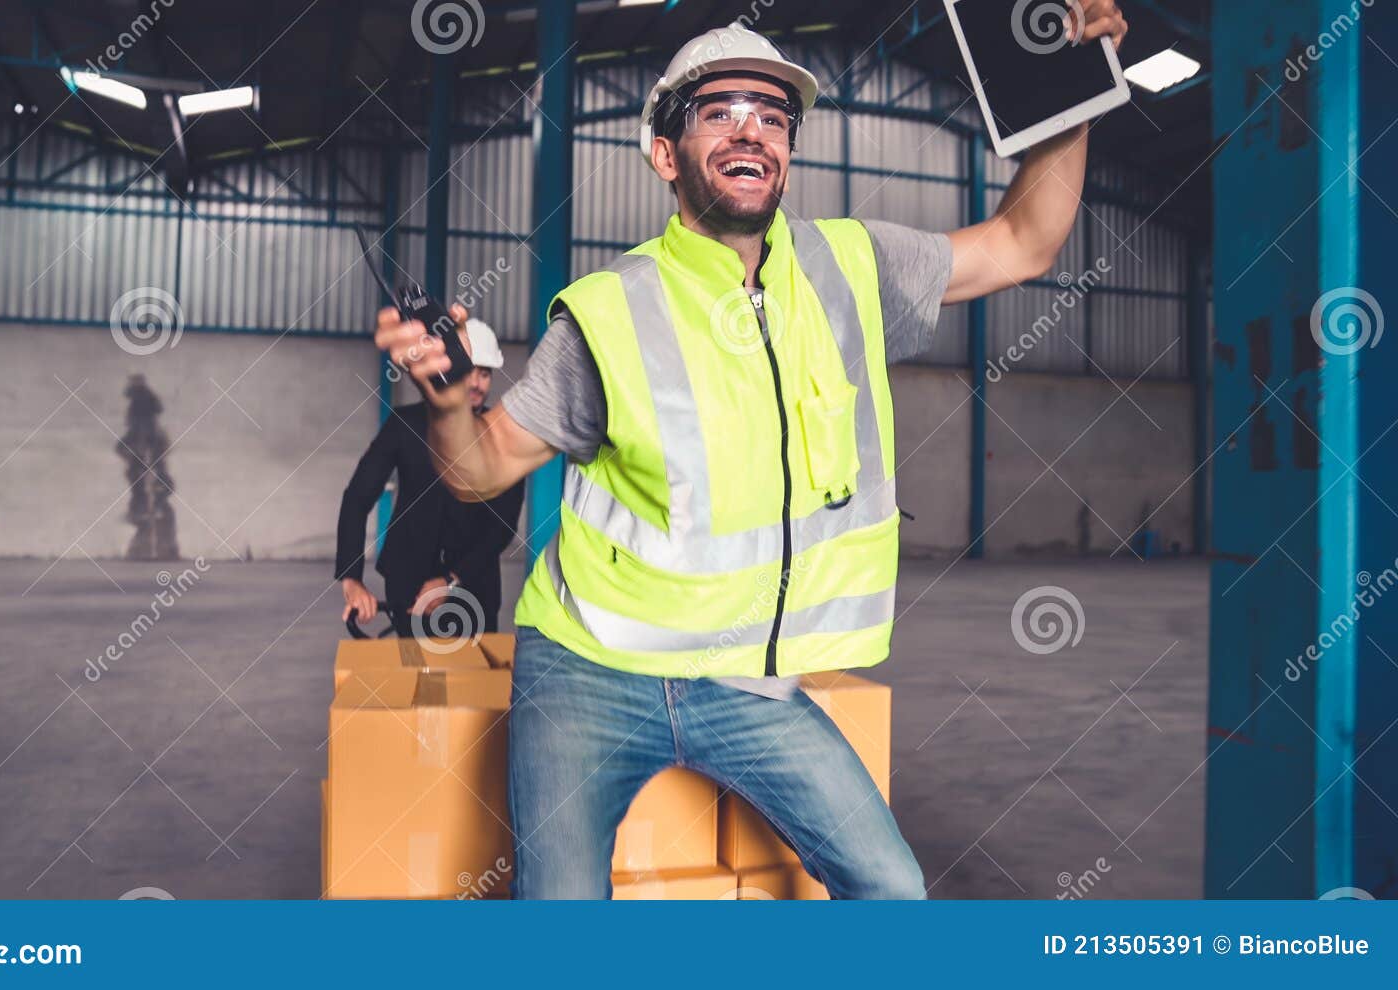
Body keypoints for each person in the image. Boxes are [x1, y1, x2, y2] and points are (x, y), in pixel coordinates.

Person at [375, 6, 1128, 898]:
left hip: (744, 681)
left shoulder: (853, 266)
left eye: (773, 117)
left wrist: (1080, 89)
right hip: (590, 674)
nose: (752, 131)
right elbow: (479, 469)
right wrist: (446, 400)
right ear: (666, 155)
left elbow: (1023, 244)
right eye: (720, 112)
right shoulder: (610, 312)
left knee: (894, 890)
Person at [337, 318, 525, 636]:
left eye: (485, 373)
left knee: (472, 683)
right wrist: (352, 579)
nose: (477, 384)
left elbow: (502, 526)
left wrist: (449, 580)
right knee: (416, 682)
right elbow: (357, 497)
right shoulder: (404, 424)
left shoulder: (501, 437)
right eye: (469, 372)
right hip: (406, 584)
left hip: (472, 591)